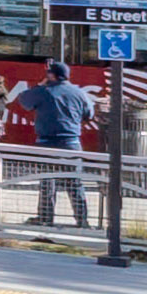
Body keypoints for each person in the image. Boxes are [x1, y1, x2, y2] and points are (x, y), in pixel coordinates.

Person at [24, 57, 97, 229]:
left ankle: (46, 218)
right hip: (71, 143)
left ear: (52, 75)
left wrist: (41, 84)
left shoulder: (44, 91)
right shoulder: (79, 93)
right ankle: (82, 221)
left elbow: (25, 101)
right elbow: (89, 114)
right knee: (75, 183)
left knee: (47, 182)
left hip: (47, 143)